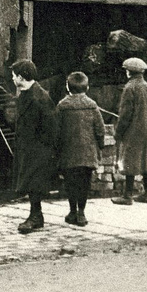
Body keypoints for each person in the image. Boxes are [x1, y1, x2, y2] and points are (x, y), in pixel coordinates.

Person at [11, 59, 57, 234]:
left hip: (38, 149)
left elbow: (51, 126)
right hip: (29, 147)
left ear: (21, 77)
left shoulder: (40, 97)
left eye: (14, 76)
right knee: (30, 183)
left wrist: (41, 146)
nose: (13, 79)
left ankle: (35, 217)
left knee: (34, 183)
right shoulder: (26, 94)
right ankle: (36, 215)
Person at [55, 71, 104, 227]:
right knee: (84, 183)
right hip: (87, 153)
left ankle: (72, 211)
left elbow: (56, 130)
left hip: (68, 153)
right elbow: (100, 130)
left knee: (70, 182)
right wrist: (100, 146)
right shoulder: (92, 105)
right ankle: (81, 212)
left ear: (67, 87)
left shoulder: (62, 106)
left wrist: (57, 150)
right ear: (87, 87)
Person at [112, 57, 147, 205]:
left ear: (129, 72)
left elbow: (125, 114)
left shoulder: (129, 87)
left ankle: (127, 196)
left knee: (129, 160)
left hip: (134, 130)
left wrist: (118, 132)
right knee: (146, 158)